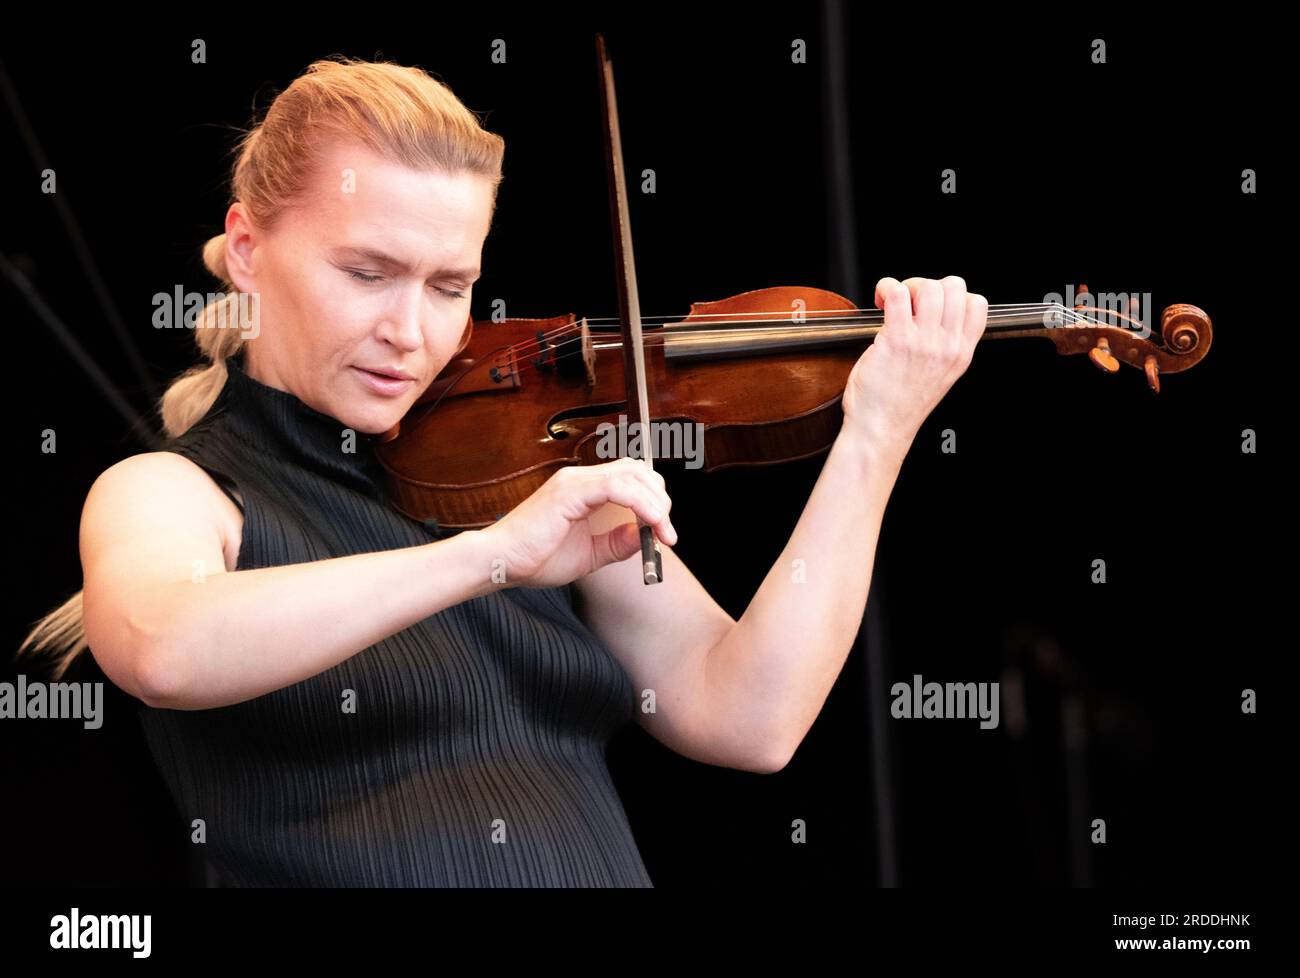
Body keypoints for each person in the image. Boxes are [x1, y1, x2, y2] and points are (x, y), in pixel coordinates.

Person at [17, 55, 987, 886]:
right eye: (366, 273)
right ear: (247, 248)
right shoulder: (175, 491)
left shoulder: (520, 469)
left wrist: (875, 434)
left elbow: (749, 717)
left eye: (449, 286)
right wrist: (489, 557)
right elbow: (163, 650)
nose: (411, 331)